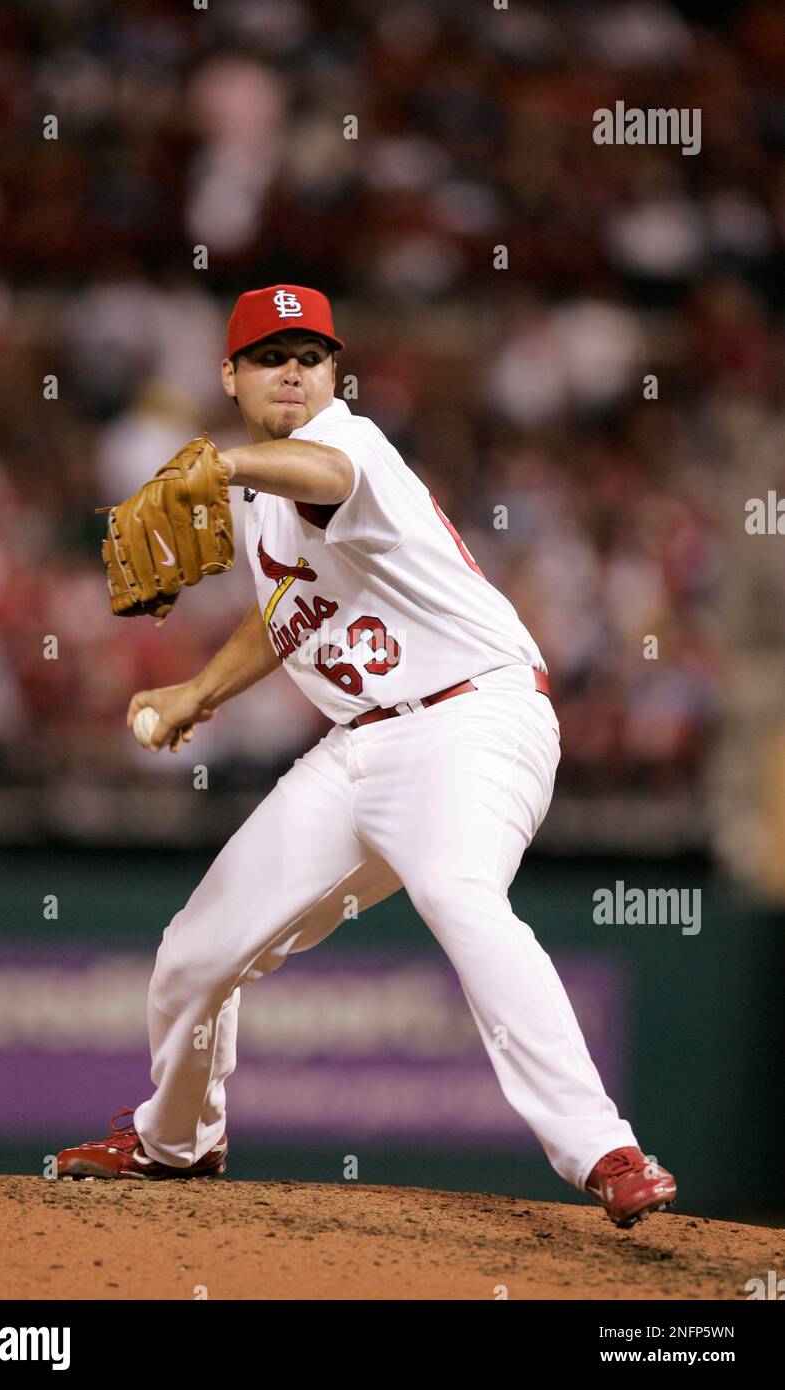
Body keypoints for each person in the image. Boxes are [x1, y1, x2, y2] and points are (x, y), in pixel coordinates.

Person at [57, 284, 677, 1228]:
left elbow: (325, 478)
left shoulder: (348, 447)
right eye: (271, 357)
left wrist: (220, 464)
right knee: (197, 950)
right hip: (361, 747)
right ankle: (175, 1139)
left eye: (311, 356)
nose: (295, 371)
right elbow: (286, 624)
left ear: (336, 373)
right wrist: (194, 694)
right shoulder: (265, 507)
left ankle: (604, 1148)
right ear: (231, 375)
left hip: (475, 717)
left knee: (457, 891)